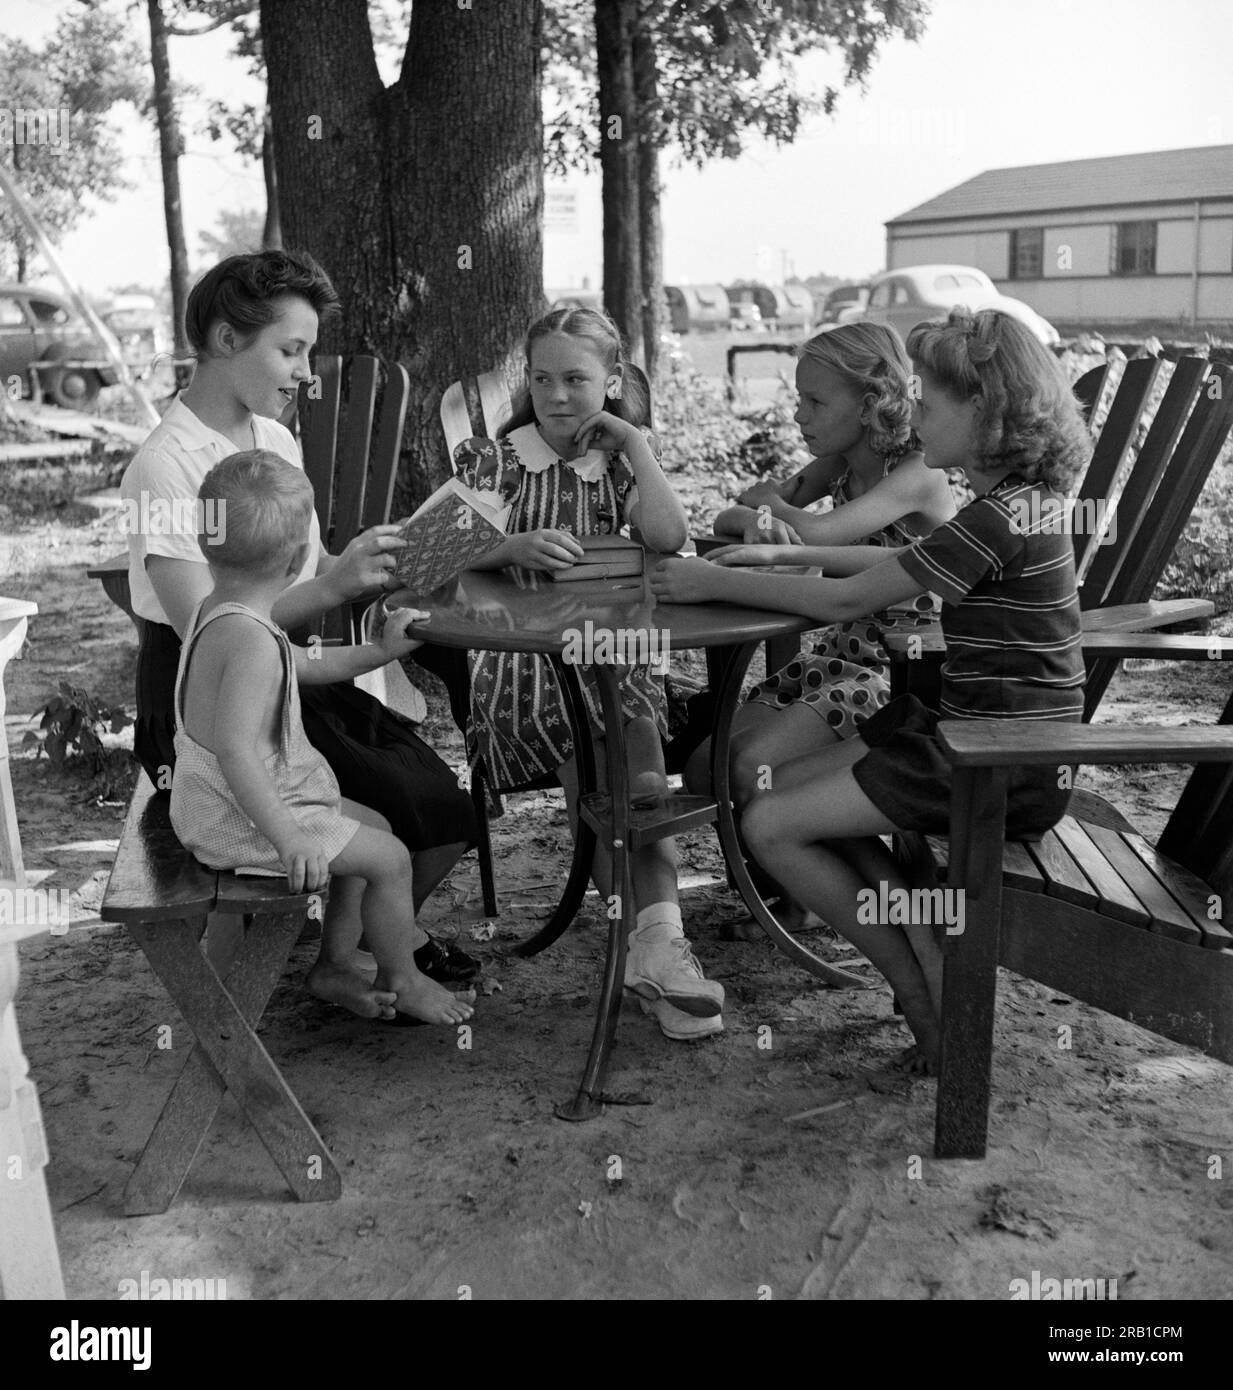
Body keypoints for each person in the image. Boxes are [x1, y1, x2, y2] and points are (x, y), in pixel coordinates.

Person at [650, 308, 1090, 1071]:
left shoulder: (994, 520)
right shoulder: (1011, 506)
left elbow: (849, 603)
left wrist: (714, 575)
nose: (914, 414)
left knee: (771, 825)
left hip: (995, 762)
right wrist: (767, 563)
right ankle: (921, 939)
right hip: (961, 732)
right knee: (771, 788)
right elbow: (883, 573)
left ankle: (916, 986)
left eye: (929, 401)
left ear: (984, 411)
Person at [121, 250, 480, 991]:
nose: (306, 371)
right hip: (211, 707)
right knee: (407, 806)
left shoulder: (274, 439)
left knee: (443, 805)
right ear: (226, 341)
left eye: (308, 352)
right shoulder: (165, 466)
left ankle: (356, 952)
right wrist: (333, 584)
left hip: (289, 677)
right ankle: (383, 949)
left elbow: (306, 574)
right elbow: (211, 629)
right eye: (290, 350)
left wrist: (386, 570)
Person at [452, 306, 723, 1042]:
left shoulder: (617, 461)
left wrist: (633, 443)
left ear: (611, 380)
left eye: (577, 379)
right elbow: (427, 555)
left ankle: (653, 953)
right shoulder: (500, 460)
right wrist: (505, 547)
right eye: (542, 379)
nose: (558, 396)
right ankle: (658, 947)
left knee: (634, 753)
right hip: (523, 675)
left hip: (619, 666)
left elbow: (669, 537)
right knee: (602, 747)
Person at [170, 452, 473, 1026]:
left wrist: (380, 652)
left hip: (236, 800)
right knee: (389, 858)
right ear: (297, 561)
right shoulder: (250, 639)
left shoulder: (225, 611)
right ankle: (402, 977)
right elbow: (235, 749)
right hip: (240, 815)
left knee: (377, 828)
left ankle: (334, 966)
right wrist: (288, 838)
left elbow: (304, 665)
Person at [687, 324, 955, 819]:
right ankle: (778, 879)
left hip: (898, 676)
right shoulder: (838, 466)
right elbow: (733, 514)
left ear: (870, 402)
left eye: (815, 401)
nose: (797, 414)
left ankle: (794, 870)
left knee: (748, 769)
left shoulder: (918, 473)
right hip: (834, 659)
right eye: (797, 398)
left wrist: (770, 504)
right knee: (705, 767)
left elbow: (819, 533)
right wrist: (757, 514)